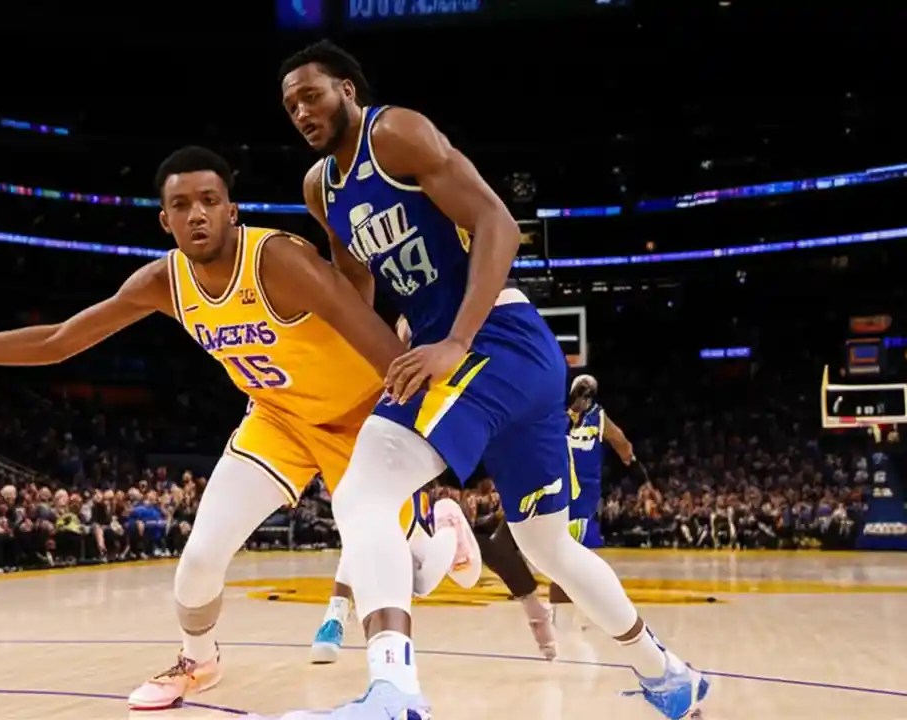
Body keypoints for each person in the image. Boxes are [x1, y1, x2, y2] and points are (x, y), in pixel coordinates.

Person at [0, 145, 478, 711]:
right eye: (182, 205)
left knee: (421, 577)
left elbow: (376, 334)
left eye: (210, 200)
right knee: (200, 559)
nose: (197, 214)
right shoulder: (163, 282)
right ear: (166, 220)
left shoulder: (278, 261)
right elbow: (58, 340)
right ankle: (199, 661)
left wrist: (429, 431)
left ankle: (446, 529)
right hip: (278, 419)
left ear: (231, 210)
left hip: (359, 416)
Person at [271, 40, 707, 719]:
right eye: (290, 103)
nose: (301, 109)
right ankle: (669, 674)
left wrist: (454, 340)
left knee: (361, 491)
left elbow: (497, 221)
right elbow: (355, 284)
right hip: (507, 359)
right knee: (547, 545)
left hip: (492, 341)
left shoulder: (395, 132)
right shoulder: (318, 186)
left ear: (349, 89)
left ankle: (392, 692)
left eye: (312, 93)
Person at [310, 316, 555, 664]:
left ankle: (450, 530)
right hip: (397, 463)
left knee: (421, 574)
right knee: (361, 518)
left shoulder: (462, 364)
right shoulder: (389, 364)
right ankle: (338, 615)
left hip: (431, 464)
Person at [553, 374, 645, 631]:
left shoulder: (596, 417)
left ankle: (568, 613)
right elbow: (622, 444)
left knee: (570, 552)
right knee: (567, 554)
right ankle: (562, 615)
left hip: (580, 494)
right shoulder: (562, 417)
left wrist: (632, 463)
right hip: (565, 490)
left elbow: (621, 442)